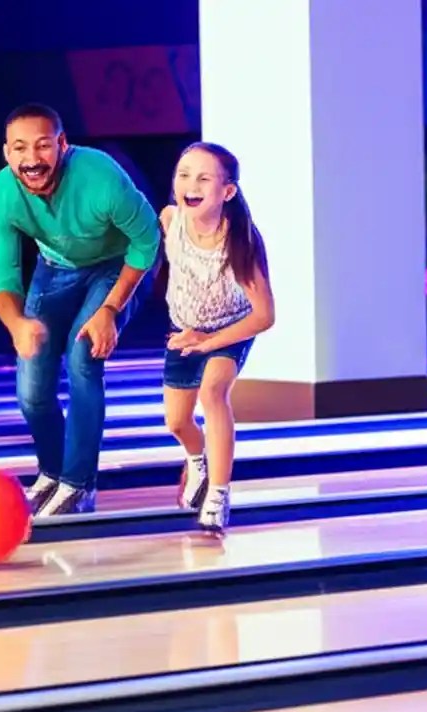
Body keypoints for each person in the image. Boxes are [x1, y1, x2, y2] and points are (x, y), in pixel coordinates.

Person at [0, 103, 161, 517]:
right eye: (20, 149)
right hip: (56, 268)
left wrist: (111, 308)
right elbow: (2, 276)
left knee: (82, 358)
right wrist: (17, 324)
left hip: (117, 265)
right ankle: (53, 470)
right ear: (7, 154)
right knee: (31, 388)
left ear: (62, 144)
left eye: (43, 146)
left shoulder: (100, 177)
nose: (31, 159)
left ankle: (80, 483)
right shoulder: (0, 195)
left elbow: (147, 241)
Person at [161, 142, 275, 535]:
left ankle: (219, 494)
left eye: (204, 178)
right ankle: (198, 461)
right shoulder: (170, 219)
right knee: (176, 422)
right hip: (183, 331)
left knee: (212, 394)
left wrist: (208, 342)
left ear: (227, 192)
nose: (191, 184)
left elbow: (264, 316)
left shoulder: (239, 241)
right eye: (184, 174)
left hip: (229, 332)